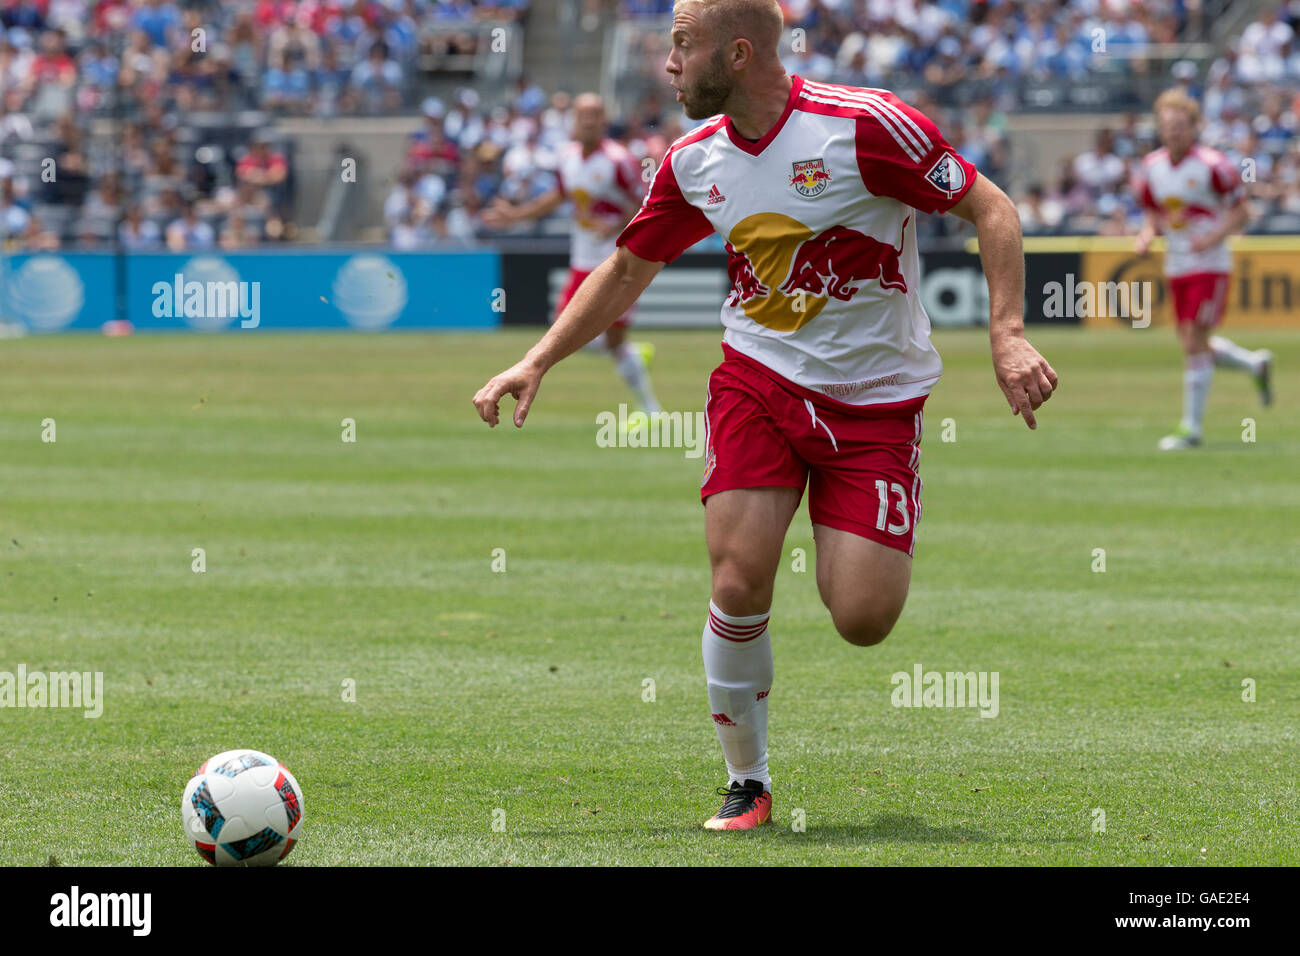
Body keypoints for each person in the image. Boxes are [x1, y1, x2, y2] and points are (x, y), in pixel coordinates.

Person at [473, 0, 1056, 830]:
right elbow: (628, 267)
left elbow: (991, 208)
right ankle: (748, 782)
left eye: (683, 45)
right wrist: (537, 359)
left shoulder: (864, 130)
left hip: (874, 405)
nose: (669, 64)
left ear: (737, 53)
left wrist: (1006, 336)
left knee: (862, 617)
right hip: (758, 384)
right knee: (738, 578)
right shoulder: (693, 161)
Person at [482, 92, 662, 415]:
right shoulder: (567, 157)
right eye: (583, 115)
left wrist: (618, 226)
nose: (589, 121)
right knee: (564, 333)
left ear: (604, 119)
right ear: (575, 121)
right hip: (581, 261)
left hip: (615, 263)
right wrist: (516, 215)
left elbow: (645, 201)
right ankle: (633, 360)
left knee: (605, 339)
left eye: (595, 115)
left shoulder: (618, 160)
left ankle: (651, 410)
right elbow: (559, 196)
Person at [1133, 88, 1272, 451]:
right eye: (1167, 127)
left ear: (1194, 127)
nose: (1174, 133)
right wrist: (1147, 234)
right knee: (1194, 343)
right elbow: (1153, 212)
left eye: (1180, 126)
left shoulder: (1214, 166)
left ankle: (1190, 429)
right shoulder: (1152, 167)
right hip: (1176, 263)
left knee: (1194, 340)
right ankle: (1254, 364)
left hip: (1209, 264)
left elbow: (1242, 210)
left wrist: (1211, 238)